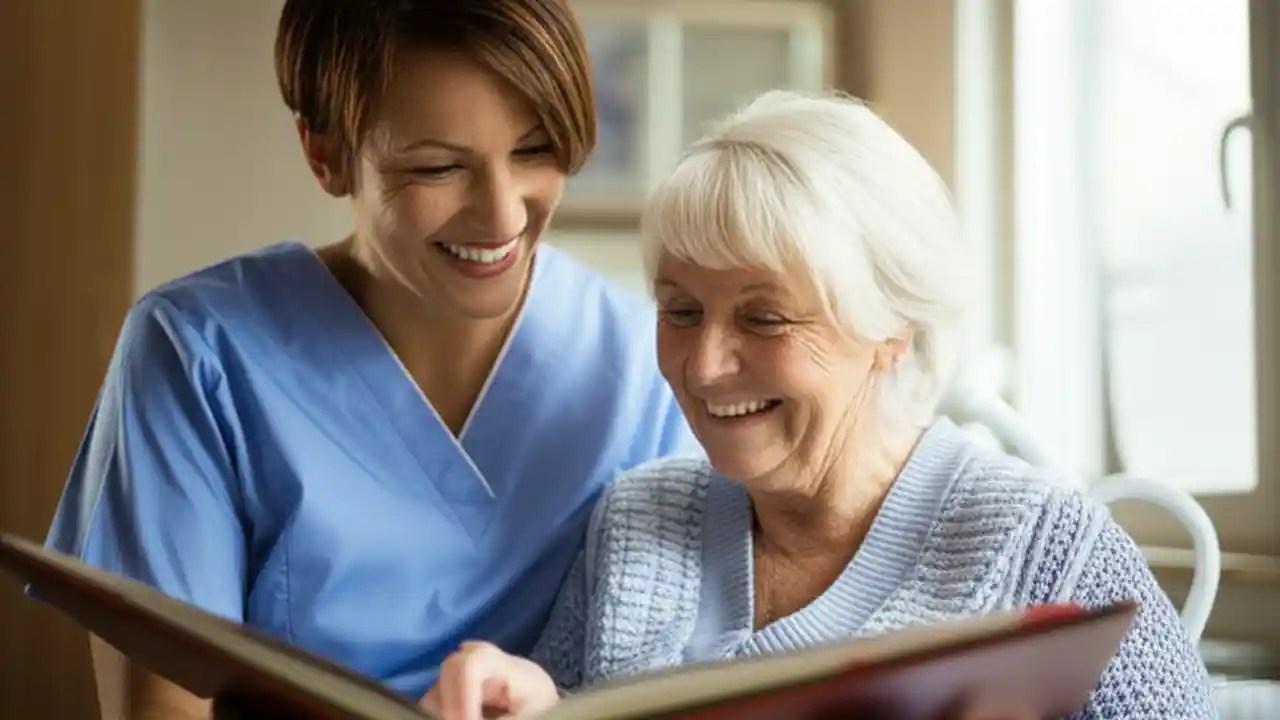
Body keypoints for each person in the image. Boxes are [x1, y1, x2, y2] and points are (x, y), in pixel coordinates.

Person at [419, 90, 1218, 720]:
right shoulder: (636, 518)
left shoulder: (1049, 552)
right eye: (681, 310)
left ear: (893, 330)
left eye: (764, 318)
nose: (704, 364)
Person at [42, 1, 695, 717]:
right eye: (440, 167)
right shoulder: (199, 354)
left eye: (533, 152)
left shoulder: (647, 365)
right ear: (325, 153)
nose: (504, 214)